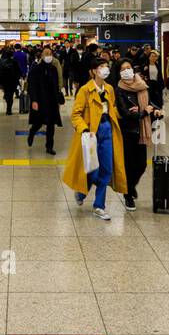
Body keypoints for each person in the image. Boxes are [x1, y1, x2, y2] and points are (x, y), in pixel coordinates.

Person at [63, 55, 128, 221]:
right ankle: (82, 191)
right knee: (93, 170)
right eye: (101, 67)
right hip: (91, 133)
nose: (105, 69)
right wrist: (83, 128)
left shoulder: (109, 89)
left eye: (106, 66)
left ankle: (99, 206)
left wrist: (124, 113)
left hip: (107, 130)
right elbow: (76, 114)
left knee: (107, 169)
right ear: (93, 71)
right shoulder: (85, 90)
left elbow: (112, 107)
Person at [116, 58, 162, 210]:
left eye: (128, 67)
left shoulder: (141, 84)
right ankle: (128, 195)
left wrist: (154, 109)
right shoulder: (119, 89)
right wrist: (143, 113)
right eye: (123, 69)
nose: (127, 71)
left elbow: (149, 102)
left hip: (142, 130)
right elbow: (125, 113)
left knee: (142, 165)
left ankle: (131, 186)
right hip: (128, 131)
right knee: (129, 164)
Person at [26, 46, 64, 155]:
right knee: (38, 122)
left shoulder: (53, 69)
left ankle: (49, 147)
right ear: (42, 56)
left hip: (52, 101)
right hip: (40, 100)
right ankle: (32, 133)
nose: (48, 56)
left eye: (49, 54)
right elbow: (32, 86)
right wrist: (34, 100)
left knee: (51, 125)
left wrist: (58, 98)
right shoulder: (36, 69)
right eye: (45, 54)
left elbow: (56, 84)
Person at [0, 47, 21, 115]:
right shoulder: (15, 62)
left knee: (7, 93)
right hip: (13, 81)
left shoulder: (2, 62)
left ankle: (7, 99)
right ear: (12, 55)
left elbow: (0, 72)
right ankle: (9, 110)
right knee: (11, 95)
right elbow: (18, 72)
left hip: (5, 81)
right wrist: (18, 80)